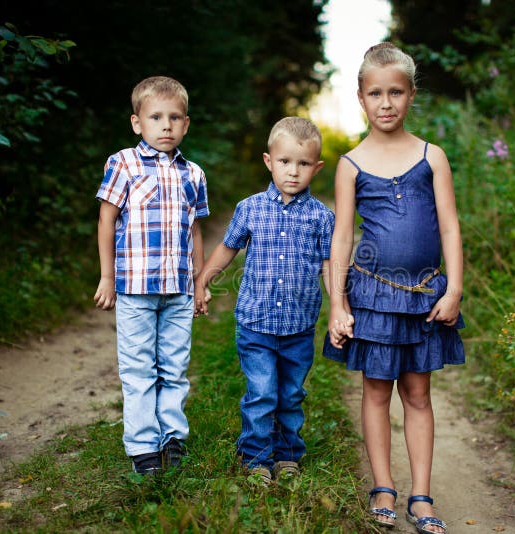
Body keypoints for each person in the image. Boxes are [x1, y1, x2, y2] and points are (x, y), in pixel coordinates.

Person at [325, 43, 465, 534]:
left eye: (396, 93)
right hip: (372, 296)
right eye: (376, 93)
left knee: (419, 394)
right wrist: (337, 303)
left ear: (411, 95)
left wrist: (454, 291)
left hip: (426, 294)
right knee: (376, 391)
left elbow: (449, 227)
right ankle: (383, 488)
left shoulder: (432, 157)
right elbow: (342, 236)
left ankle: (421, 495)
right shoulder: (351, 164)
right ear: (361, 99)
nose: (386, 103)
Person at [195, 117, 334, 485]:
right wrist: (203, 281)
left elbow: (328, 265)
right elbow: (227, 249)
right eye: (285, 161)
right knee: (261, 393)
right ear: (269, 161)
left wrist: (340, 307)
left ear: (316, 168)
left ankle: (287, 454)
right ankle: (256, 457)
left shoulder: (322, 217)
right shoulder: (250, 209)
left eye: (303, 164)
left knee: (290, 393)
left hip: (298, 328)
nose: (293, 172)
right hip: (255, 325)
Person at [94, 76, 209, 476]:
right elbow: (107, 219)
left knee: (173, 367)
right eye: (156, 117)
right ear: (136, 122)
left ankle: (172, 437)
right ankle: (143, 446)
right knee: (139, 368)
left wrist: (199, 282)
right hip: (135, 287)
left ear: (186, 124)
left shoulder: (193, 174)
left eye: (174, 117)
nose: (165, 125)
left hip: (178, 289)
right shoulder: (122, 163)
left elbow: (195, 230)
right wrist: (107, 276)